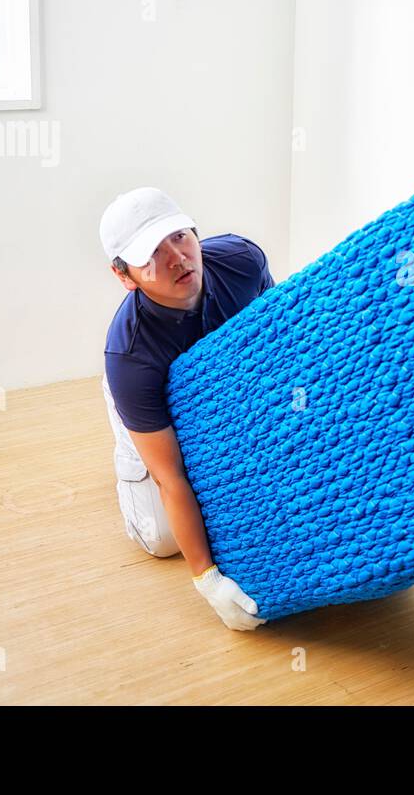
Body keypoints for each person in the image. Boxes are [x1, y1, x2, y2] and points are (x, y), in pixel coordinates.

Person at [99, 186, 273, 631]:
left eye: (179, 237)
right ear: (124, 276)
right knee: (163, 541)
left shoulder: (242, 260)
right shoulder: (130, 358)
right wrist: (208, 580)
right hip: (149, 394)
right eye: (151, 254)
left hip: (226, 379)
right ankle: (127, 450)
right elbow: (170, 476)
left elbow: (275, 344)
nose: (176, 258)